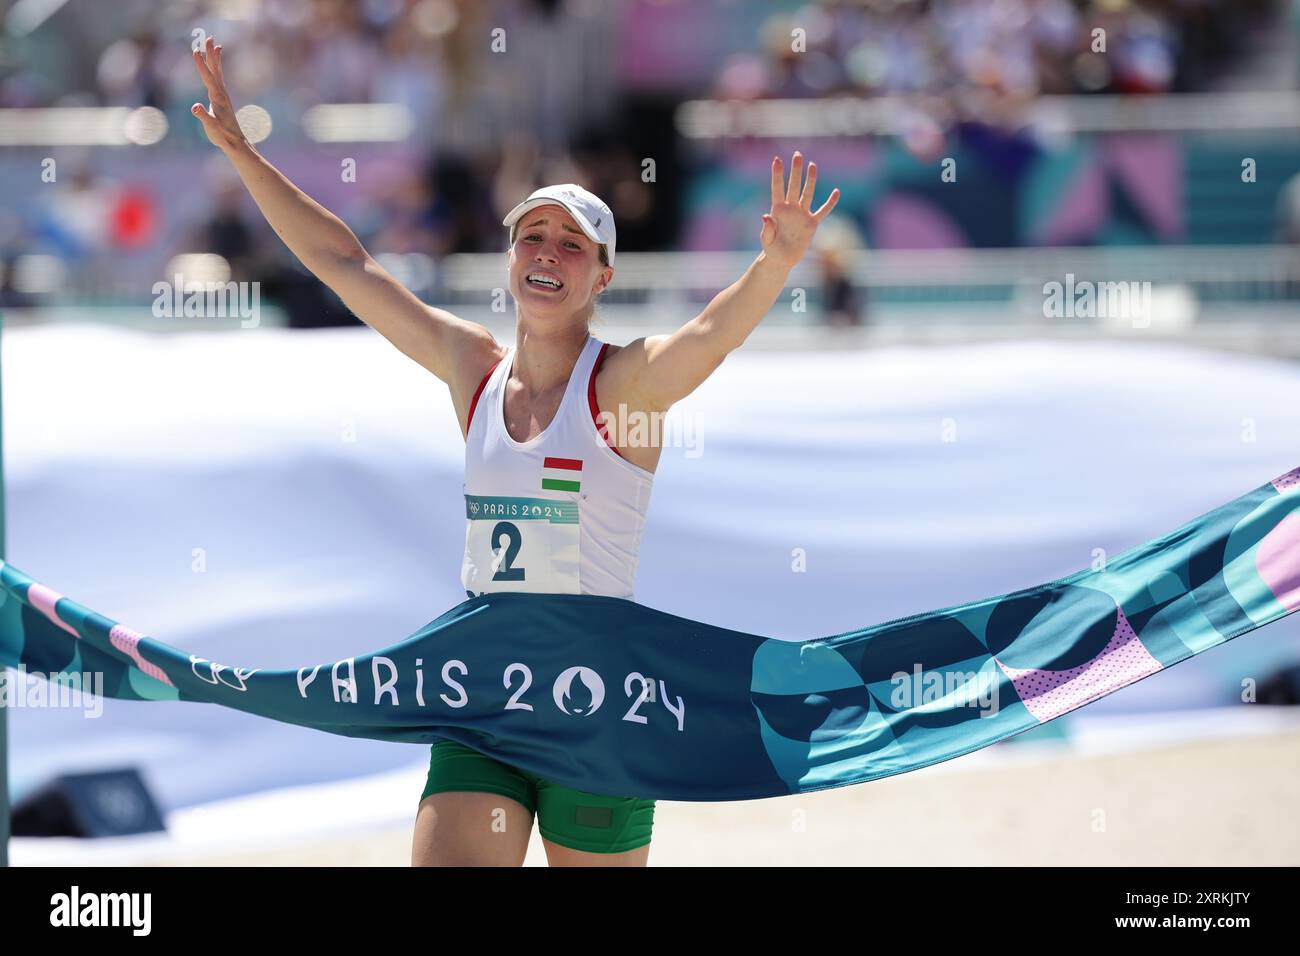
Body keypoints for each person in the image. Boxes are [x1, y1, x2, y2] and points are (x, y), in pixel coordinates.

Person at [190, 35, 839, 867]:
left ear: (601, 279)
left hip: (597, 698)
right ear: (508, 257)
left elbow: (709, 338)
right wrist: (245, 155)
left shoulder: (623, 385)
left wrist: (774, 263)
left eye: (572, 245)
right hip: (487, 689)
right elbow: (344, 262)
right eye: (532, 237)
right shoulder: (471, 367)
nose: (546, 254)